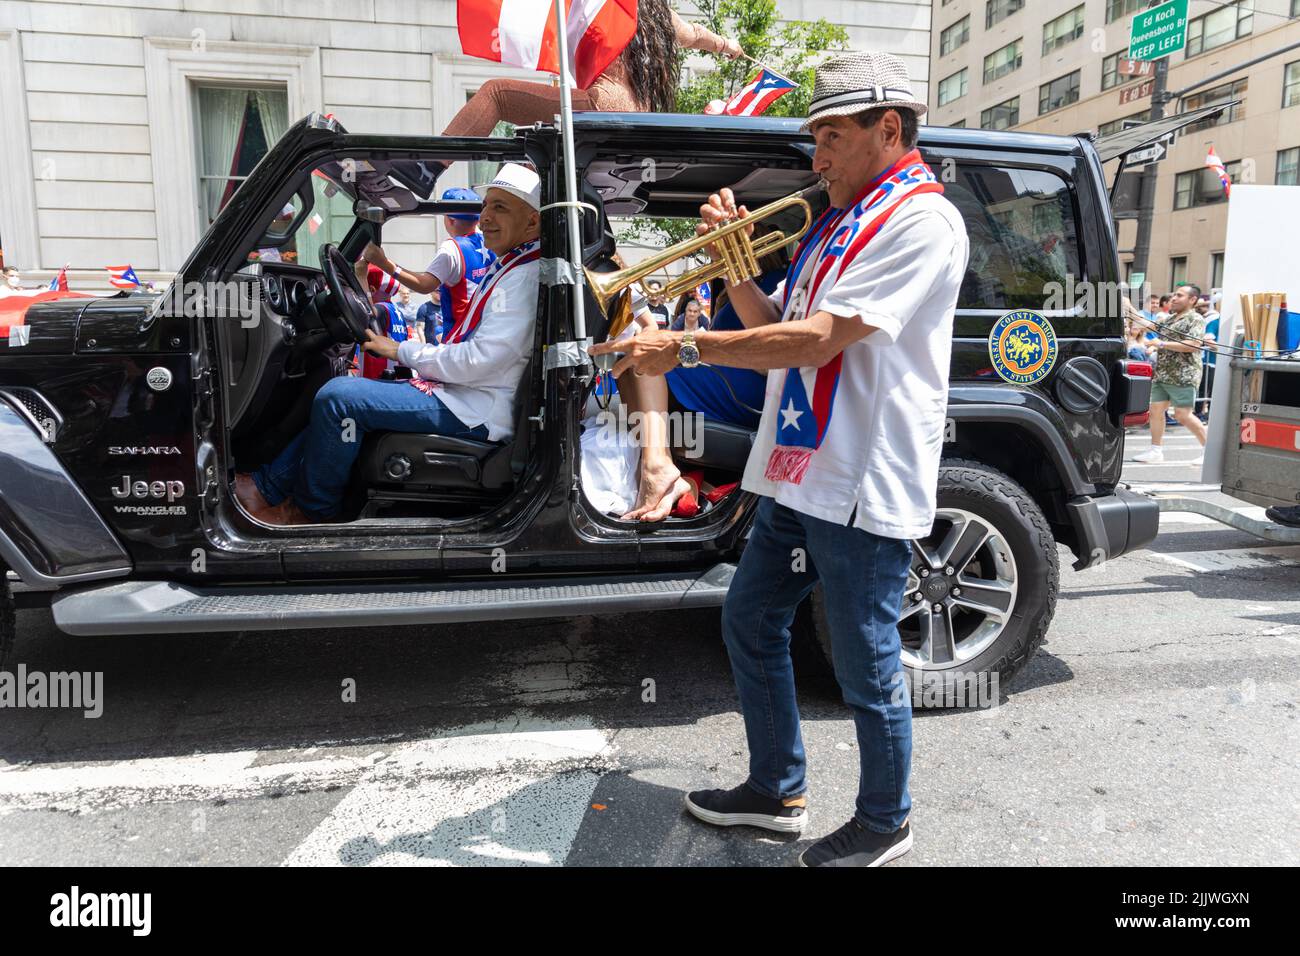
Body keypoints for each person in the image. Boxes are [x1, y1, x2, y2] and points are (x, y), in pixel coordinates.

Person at [591, 51, 969, 867]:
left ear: (890, 129)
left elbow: (822, 338)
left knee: (865, 658)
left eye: (831, 136)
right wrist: (731, 259)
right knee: (751, 617)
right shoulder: (841, 220)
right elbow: (776, 332)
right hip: (802, 461)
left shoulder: (921, 220)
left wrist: (683, 346)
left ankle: (886, 820)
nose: (817, 156)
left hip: (861, 475)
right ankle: (776, 789)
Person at [234, 164, 542, 524]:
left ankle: (308, 512)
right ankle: (266, 488)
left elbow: (478, 361)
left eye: (501, 208)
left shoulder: (522, 277)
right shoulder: (513, 264)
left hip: (477, 407)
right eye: (486, 205)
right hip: (471, 394)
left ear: (533, 223)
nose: (486, 217)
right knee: (350, 394)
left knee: (339, 399)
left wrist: (401, 349)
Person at [442, 0, 741, 138]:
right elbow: (694, 34)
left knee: (496, 94)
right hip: (640, 118)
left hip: (603, 105)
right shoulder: (657, 12)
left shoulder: (599, 3)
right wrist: (727, 44)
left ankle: (426, 167)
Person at [1131, 283, 1208, 465]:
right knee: (1156, 410)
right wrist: (1129, 308)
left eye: (1179, 295)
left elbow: (1193, 345)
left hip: (1183, 374)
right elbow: (1149, 326)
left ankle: (1209, 451)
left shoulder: (1195, 319)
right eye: (1174, 294)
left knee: (1182, 414)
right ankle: (1156, 451)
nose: (1174, 298)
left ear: (1192, 300)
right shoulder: (1170, 319)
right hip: (1164, 373)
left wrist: (1162, 344)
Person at [1196, 295, 1220, 422]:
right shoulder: (1215, 321)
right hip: (1210, 362)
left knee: (1214, 390)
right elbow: (1208, 339)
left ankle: (1211, 413)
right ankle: (1198, 412)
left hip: (1220, 363)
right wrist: (1222, 349)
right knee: (1205, 389)